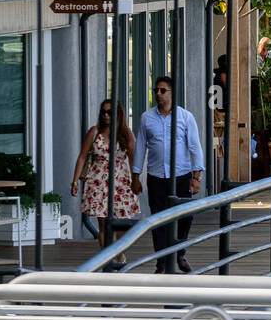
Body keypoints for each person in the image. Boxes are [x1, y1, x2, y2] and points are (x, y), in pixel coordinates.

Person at [131, 76, 205, 274]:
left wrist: (196, 177)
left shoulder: (185, 117)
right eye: (156, 90)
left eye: (163, 90)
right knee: (158, 220)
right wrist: (136, 176)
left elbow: (195, 147)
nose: (158, 94)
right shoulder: (147, 118)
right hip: (156, 176)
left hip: (181, 175)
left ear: (172, 93)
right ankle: (162, 262)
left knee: (186, 216)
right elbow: (140, 148)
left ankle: (179, 253)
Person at [71, 99, 139, 265]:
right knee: (103, 224)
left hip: (121, 181)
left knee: (121, 225)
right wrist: (74, 181)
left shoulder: (126, 133)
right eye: (103, 112)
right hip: (98, 181)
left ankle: (120, 255)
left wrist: (136, 180)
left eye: (110, 112)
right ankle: (107, 259)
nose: (106, 115)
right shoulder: (94, 132)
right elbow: (82, 157)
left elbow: (133, 159)